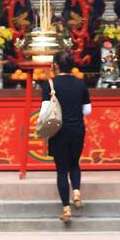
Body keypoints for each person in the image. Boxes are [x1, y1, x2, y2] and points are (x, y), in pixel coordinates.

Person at [39, 53, 91, 224]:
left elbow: (45, 110)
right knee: (74, 163)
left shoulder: (49, 85)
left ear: (55, 66)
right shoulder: (80, 84)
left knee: (62, 169)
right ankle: (76, 191)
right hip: (77, 129)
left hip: (58, 131)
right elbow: (87, 111)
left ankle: (66, 208)